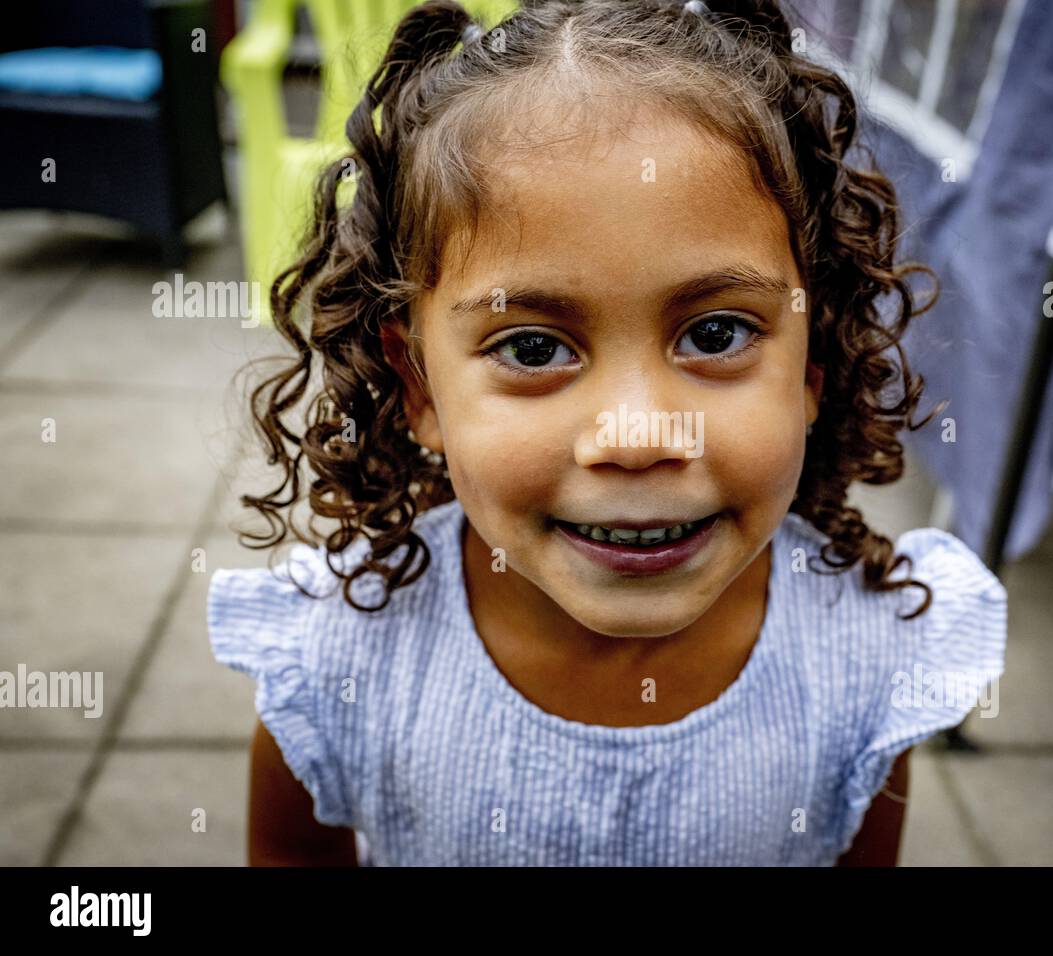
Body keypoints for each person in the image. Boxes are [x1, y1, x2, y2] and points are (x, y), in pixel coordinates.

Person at [209, 0, 1007, 866]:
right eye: (533, 348)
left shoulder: (870, 661)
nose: (637, 436)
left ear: (811, 363)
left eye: (716, 334)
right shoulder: (339, 654)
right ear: (419, 385)